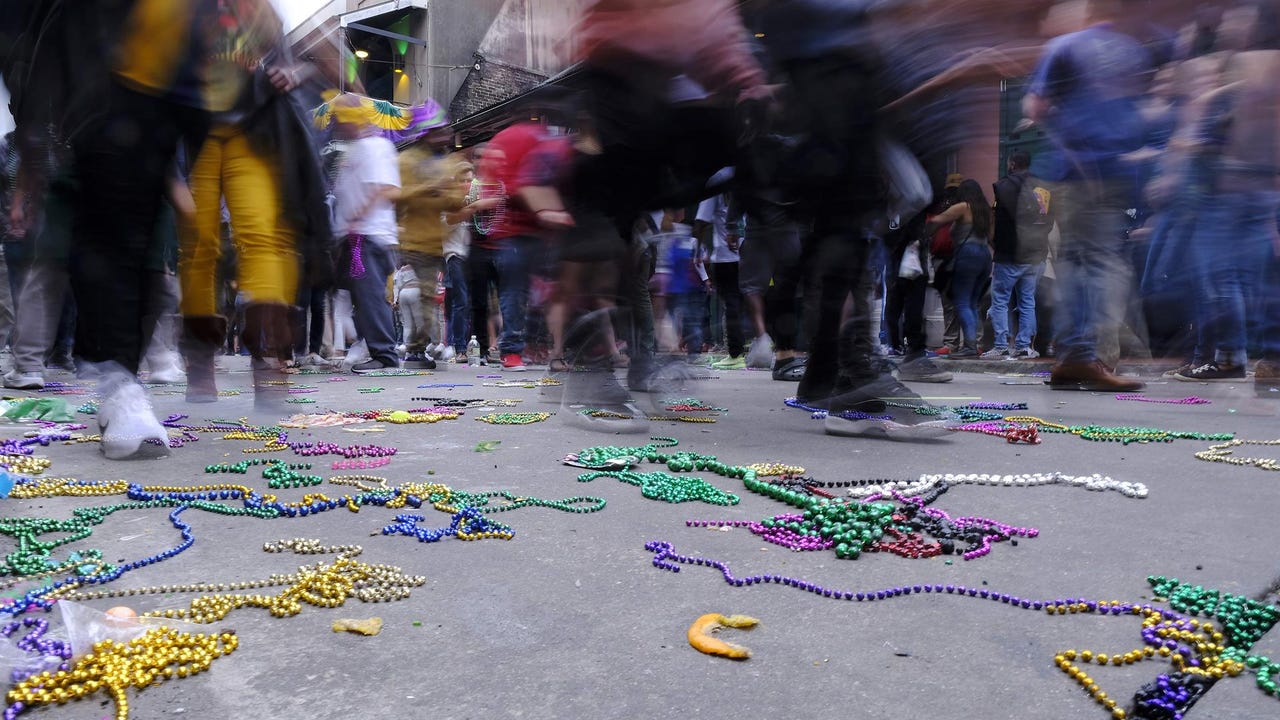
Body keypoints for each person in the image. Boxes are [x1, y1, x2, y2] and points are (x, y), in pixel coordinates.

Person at [1023, 0, 1149, 391]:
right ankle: (1083, 356)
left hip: (1078, 170)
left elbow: (1035, 105)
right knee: (1100, 263)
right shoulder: (1134, 50)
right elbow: (1142, 111)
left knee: (1081, 262)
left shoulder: (1065, 46)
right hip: (1115, 171)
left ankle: (1078, 355)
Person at [329, 94, 403, 374]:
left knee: (370, 296)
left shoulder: (375, 147)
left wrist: (358, 217)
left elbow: (388, 188)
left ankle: (385, 357)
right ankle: (369, 346)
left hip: (367, 236)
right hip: (353, 237)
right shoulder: (355, 150)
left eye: (341, 116)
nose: (337, 122)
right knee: (355, 296)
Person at [396, 138, 469, 370]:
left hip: (432, 246)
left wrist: (451, 188)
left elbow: (454, 205)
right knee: (427, 301)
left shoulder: (444, 164)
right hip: (414, 243)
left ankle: (416, 349)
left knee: (429, 301)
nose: (443, 138)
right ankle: (415, 350)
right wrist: (427, 188)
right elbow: (397, 196)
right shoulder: (407, 160)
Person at [986, 149, 1052, 359]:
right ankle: (1024, 346)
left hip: (1009, 254)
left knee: (1000, 300)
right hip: (1035, 254)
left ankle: (1001, 344)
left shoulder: (1004, 185)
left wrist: (995, 242)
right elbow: (1049, 222)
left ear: (1012, 164)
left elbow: (997, 220)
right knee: (1027, 301)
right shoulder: (1043, 188)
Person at [924, 179, 993, 358]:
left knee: (962, 302)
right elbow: (992, 238)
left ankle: (969, 346)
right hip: (985, 256)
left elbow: (935, 222)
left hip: (967, 255)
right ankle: (974, 344)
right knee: (973, 304)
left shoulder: (962, 207)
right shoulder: (985, 211)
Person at [695, 191, 748, 370]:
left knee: (731, 304)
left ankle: (735, 354)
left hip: (726, 256)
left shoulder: (717, 181)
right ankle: (745, 346)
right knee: (743, 302)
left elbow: (701, 221)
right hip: (748, 253)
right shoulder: (747, 176)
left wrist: (696, 251)